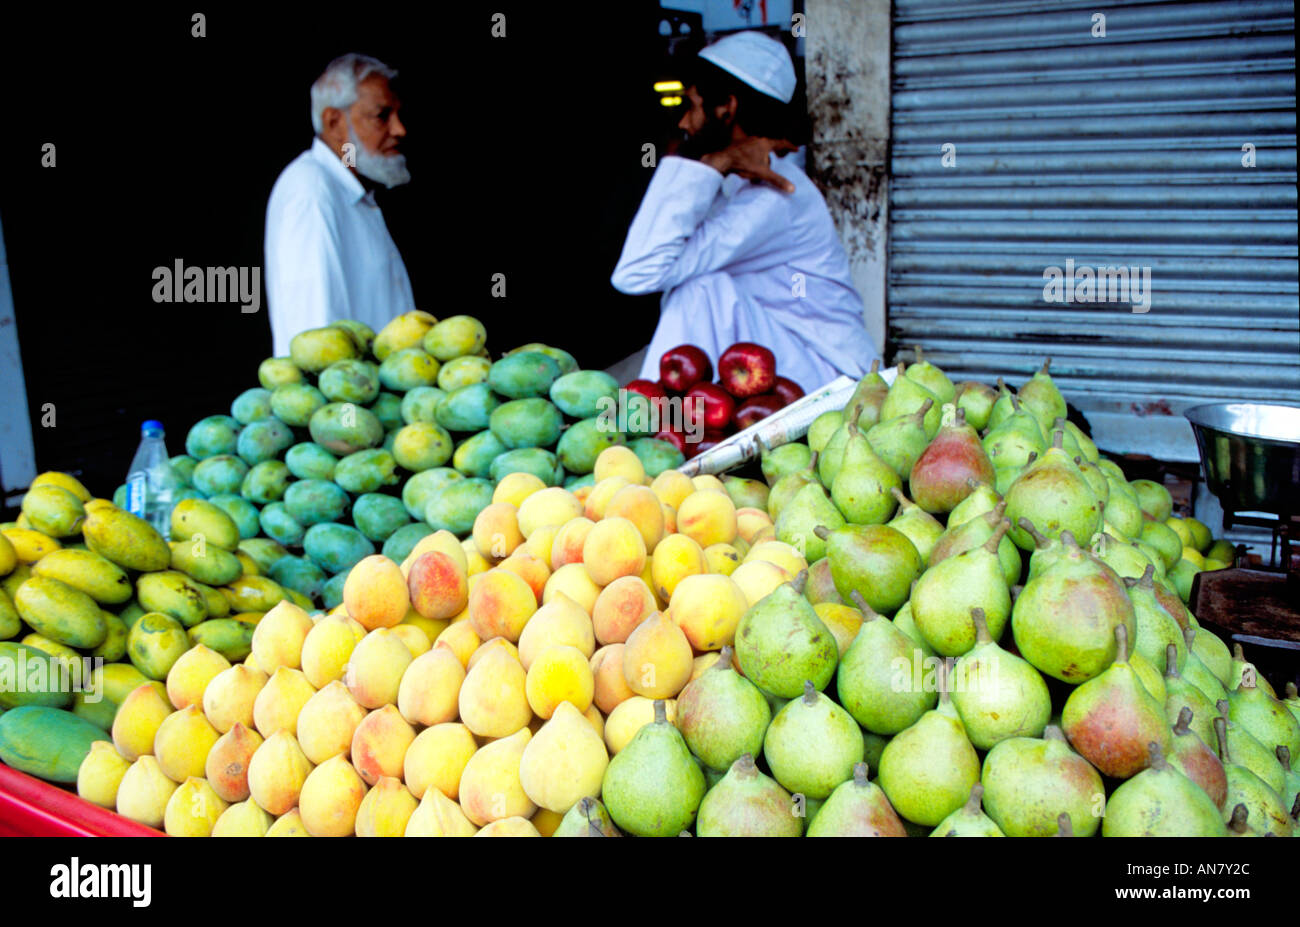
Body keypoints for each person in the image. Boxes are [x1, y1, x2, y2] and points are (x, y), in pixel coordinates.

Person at [611, 31, 880, 393]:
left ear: (727, 108)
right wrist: (716, 164)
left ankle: (651, 426)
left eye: (690, 106)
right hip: (782, 354)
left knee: (699, 291)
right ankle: (663, 420)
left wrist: (715, 162)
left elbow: (638, 273)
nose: (683, 123)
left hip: (829, 374)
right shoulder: (736, 180)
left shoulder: (774, 195)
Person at [264, 53, 416, 356]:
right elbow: (316, 341)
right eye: (382, 115)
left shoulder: (352, 193)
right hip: (346, 400)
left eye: (397, 115)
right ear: (335, 123)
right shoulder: (311, 192)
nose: (400, 130)